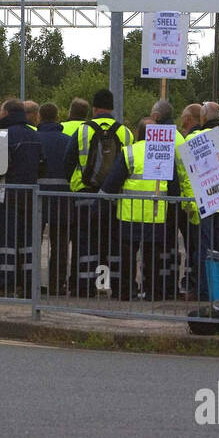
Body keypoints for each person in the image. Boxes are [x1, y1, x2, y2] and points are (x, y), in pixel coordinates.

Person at [103, 99, 180, 301]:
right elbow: (174, 189)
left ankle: (127, 292)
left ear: (138, 132)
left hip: (129, 216)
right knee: (152, 259)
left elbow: (112, 182)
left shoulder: (129, 152)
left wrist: (100, 201)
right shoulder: (165, 154)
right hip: (155, 215)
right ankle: (152, 293)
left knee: (127, 258)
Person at [63, 88, 135, 297]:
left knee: (85, 242)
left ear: (94, 108)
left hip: (85, 195)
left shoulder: (84, 130)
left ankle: (84, 288)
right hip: (114, 198)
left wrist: (77, 183)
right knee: (112, 243)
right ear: (112, 108)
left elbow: (68, 161)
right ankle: (114, 286)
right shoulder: (125, 132)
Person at [178, 102, 219, 300]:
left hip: (203, 205)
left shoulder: (194, 139)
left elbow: (186, 175)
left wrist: (189, 204)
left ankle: (205, 291)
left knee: (203, 250)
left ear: (203, 118)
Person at [0, 99, 44, 296]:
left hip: (8, 195)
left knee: (6, 242)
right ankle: (29, 283)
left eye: (0, 112)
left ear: (6, 114)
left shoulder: (4, 135)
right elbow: (42, 164)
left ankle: (6, 283)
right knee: (27, 243)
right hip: (31, 195)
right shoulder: (35, 134)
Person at [36, 102, 75, 296]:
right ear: (57, 117)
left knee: (33, 242)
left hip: (36, 197)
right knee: (60, 245)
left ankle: (32, 282)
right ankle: (57, 284)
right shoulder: (68, 140)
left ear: (39, 117)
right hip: (63, 196)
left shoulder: (35, 138)